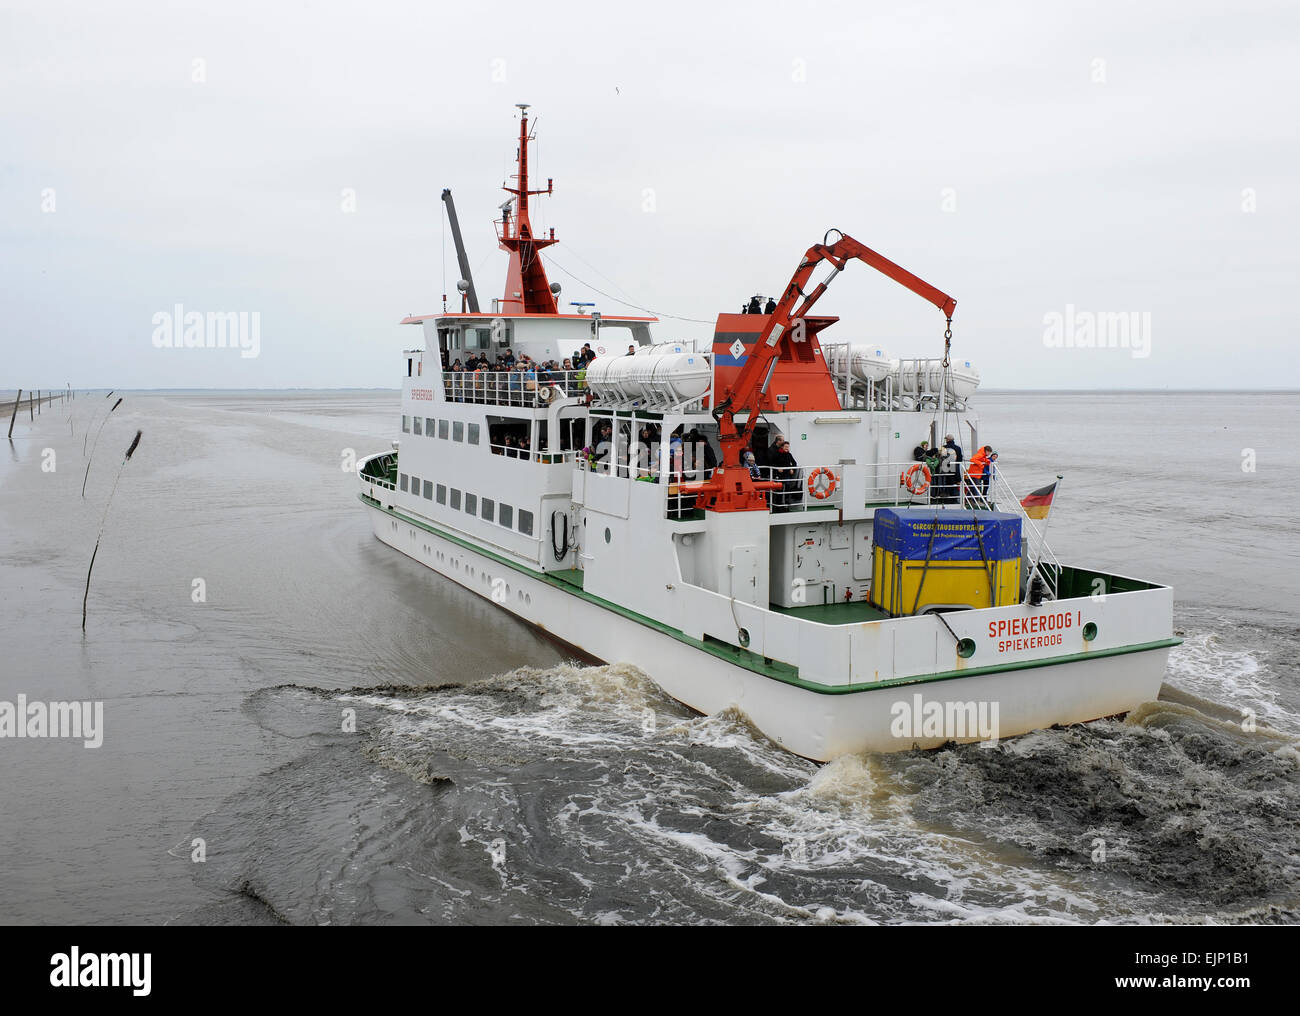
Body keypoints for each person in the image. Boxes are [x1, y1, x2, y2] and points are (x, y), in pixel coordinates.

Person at [768, 436, 800, 512]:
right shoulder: (777, 454)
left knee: (787, 487)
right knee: (780, 489)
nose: (787, 448)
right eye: (786, 447)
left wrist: (792, 469)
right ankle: (778, 505)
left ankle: (786, 501)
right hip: (779, 475)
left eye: (788, 447)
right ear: (782, 447)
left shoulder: (789, 454)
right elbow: (772, 463)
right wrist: (778, 468)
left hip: (787, 475)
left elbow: (794, 463)